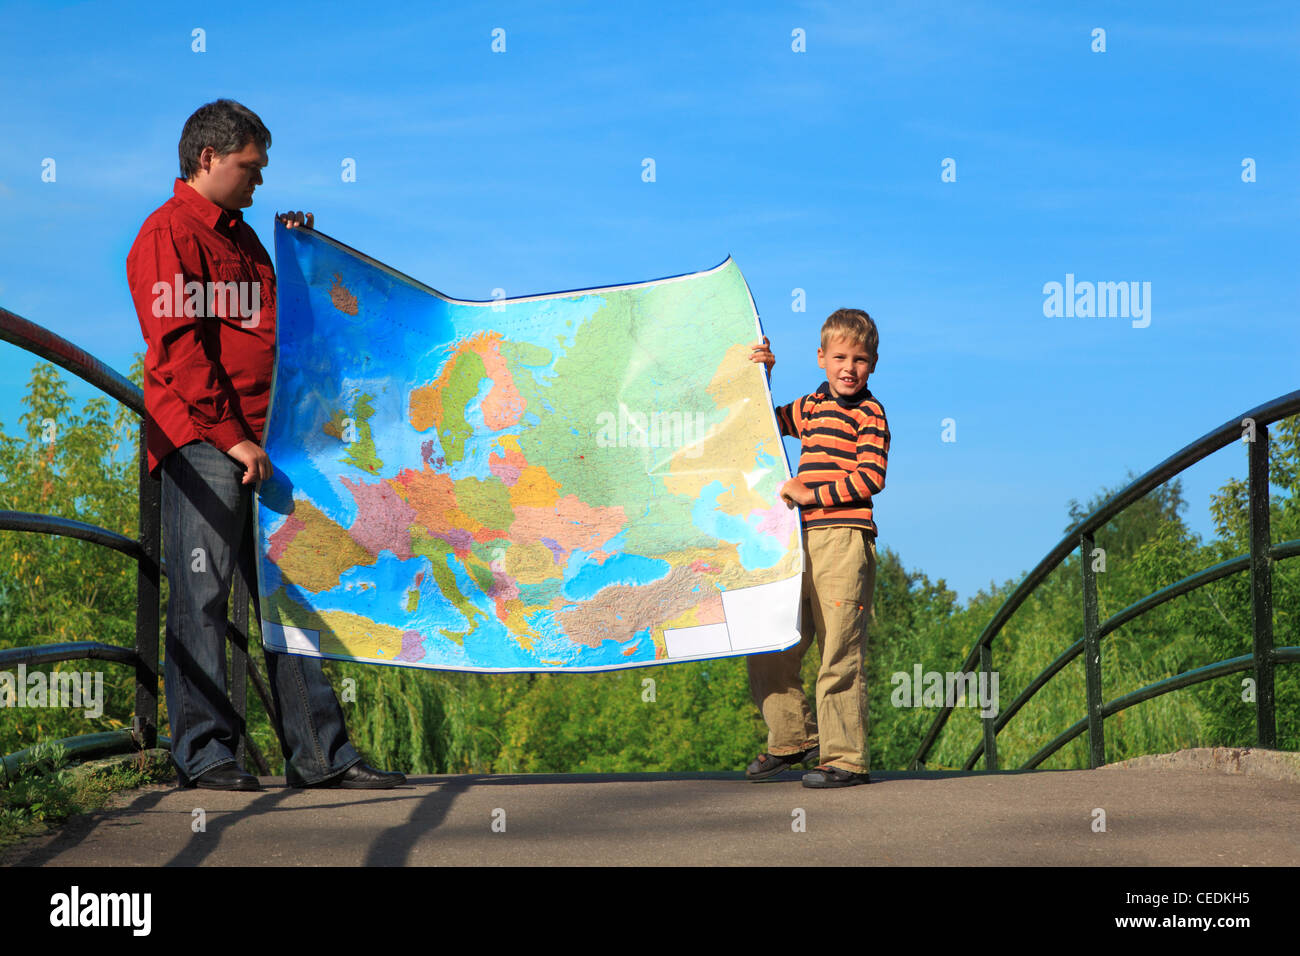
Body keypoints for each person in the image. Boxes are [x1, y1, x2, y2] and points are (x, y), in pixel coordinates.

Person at [126, 98, 405, 791]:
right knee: (203, 591)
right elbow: (179, 351)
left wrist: (298, 252)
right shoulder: (166, 235)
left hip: (265, 440)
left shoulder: (247, 240)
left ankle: (321, 755)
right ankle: (206, 752)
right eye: (250, 167)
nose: (259, 179)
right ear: (207, 159)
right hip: (204, 440)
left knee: (290, 593)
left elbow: (277, 331)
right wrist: (231, 438)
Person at [745, 309, 889, 788]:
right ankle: (793, 739)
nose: (850, 367)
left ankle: (846, 759)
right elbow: (764, 420)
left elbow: (872, 477)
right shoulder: (809, 407)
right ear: (822, 358)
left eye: (861, 359)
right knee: (774, 640)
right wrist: (762, 371)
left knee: (838, 650)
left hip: (844, 539)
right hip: (797, 539)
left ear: (873, 364)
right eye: (841, 357)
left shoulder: (870, 413)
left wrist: (812, 494)